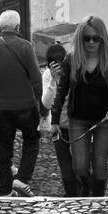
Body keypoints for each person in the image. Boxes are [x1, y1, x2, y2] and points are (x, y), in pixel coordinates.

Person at [51, 16, 108, 197]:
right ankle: (85, 192)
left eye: (96, 38)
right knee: (80, 166)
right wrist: (54, 120)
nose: (91, 42)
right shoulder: (72, 59)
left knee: (100, 166)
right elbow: (61, 91)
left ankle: (98, 197)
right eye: (87, 38)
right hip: (78, 119)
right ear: (80, 39)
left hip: (104, 120)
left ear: (102, 39)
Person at [0, 10, 42, 197]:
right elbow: (37, 80)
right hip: (26, 107)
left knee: (3, 148)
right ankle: (21, 179)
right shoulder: (26, 47)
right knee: (32, 141)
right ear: (18, 28)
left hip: (0, 109)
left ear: (0, 28)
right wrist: (43, 108)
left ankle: (5, 188)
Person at [41, 43, 78, 196]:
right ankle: (70, 194)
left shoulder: (74, 71)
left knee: (81, 161)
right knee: (64, 162)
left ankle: (83, 191)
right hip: (57, 124)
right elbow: (46, 104)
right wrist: (53, 82)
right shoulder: (48, 75)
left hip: (76, 123)